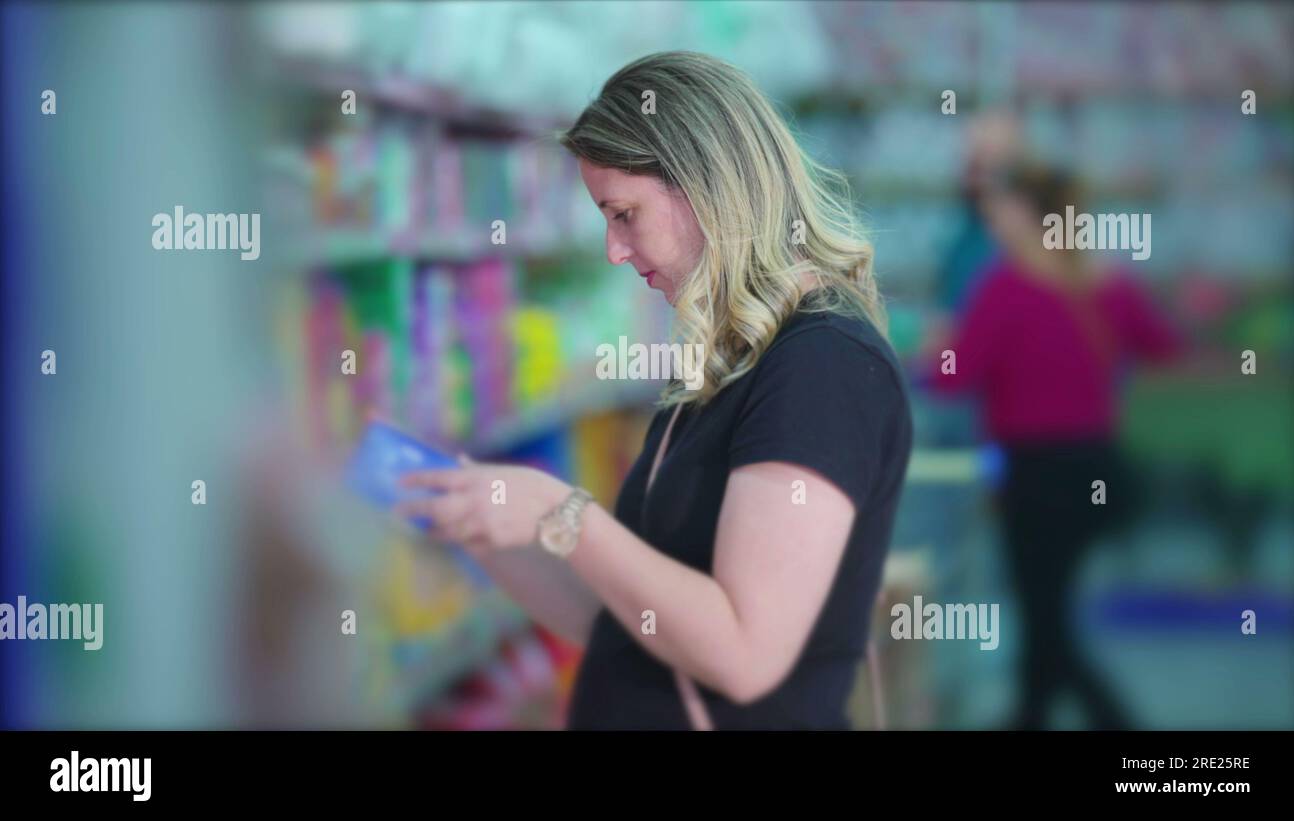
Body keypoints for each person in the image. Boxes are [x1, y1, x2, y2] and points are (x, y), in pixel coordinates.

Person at [396, 51, 913, 730]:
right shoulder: (729, 359)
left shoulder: (822, 365)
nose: (614, 249)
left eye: (624, 214)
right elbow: (620, 620)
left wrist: (566, 513)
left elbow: (743, 653)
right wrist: (487, 525)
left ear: (705, 188)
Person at [930, 161, 1184, 730]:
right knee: (1048, 606)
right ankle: (1030, 716)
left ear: (1026, 213)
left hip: (1037, 476)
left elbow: (952, 377)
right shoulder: (1105, 280)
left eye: (999, 206)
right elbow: (1165, 345)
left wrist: (938, 345)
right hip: (1098, 468)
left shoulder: (1005, 286)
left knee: (1045, 615)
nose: (990, 218)